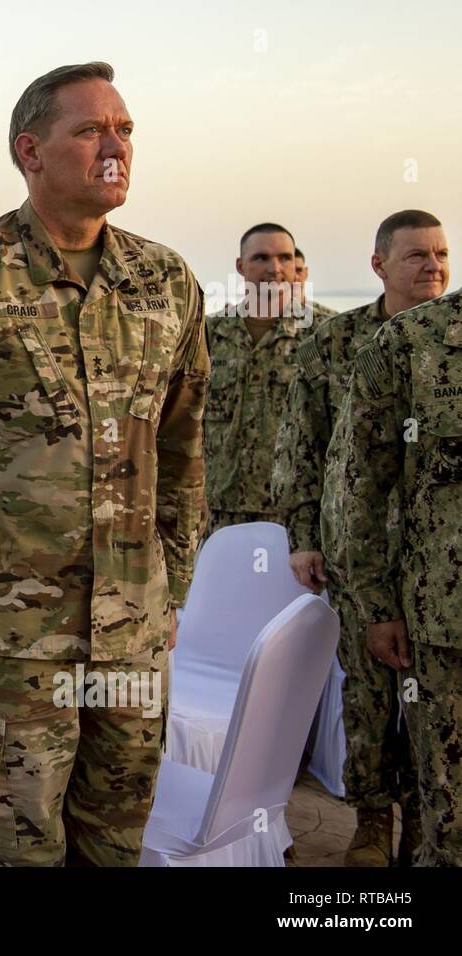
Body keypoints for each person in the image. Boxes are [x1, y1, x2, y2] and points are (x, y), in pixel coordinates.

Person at [0, 62, 208, 866]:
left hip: (132, 636)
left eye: (124, 129)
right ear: (30, 152)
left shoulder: (165, 282)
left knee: (114, 847)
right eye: (90, 130)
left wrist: (173, 587)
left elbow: (185, 447)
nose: (115, 146)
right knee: (11, 852)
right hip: (4, 644)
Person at [274, 210, 447, 866]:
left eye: (441, 254)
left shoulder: (450, 340)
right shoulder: (336, 343)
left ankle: (426, 830)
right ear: (379, 265)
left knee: (435, 706)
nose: (432, 266)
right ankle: (372, 822)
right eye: (417, 255)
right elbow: (301, 443)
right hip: (359, 551)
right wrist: (303, 535)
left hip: (438, 559)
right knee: (370, 697)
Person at [340, 267, 460, 866]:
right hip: (445, 629)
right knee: (449, 817)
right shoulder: (414, 340)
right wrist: (376, 605)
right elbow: (357, 485)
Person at [203, 223, 311, 535]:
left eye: (284, 258)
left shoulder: (322, 334)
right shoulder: (207, 333)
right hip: (218, 509)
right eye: (261, 258)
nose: (274, 268)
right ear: (241, 266)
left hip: (296, 512)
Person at [295, 248, 338, 319]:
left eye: (298, 270)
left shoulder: (330, 319)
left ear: (306, 272)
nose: (295, 277)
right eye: (290, 271)